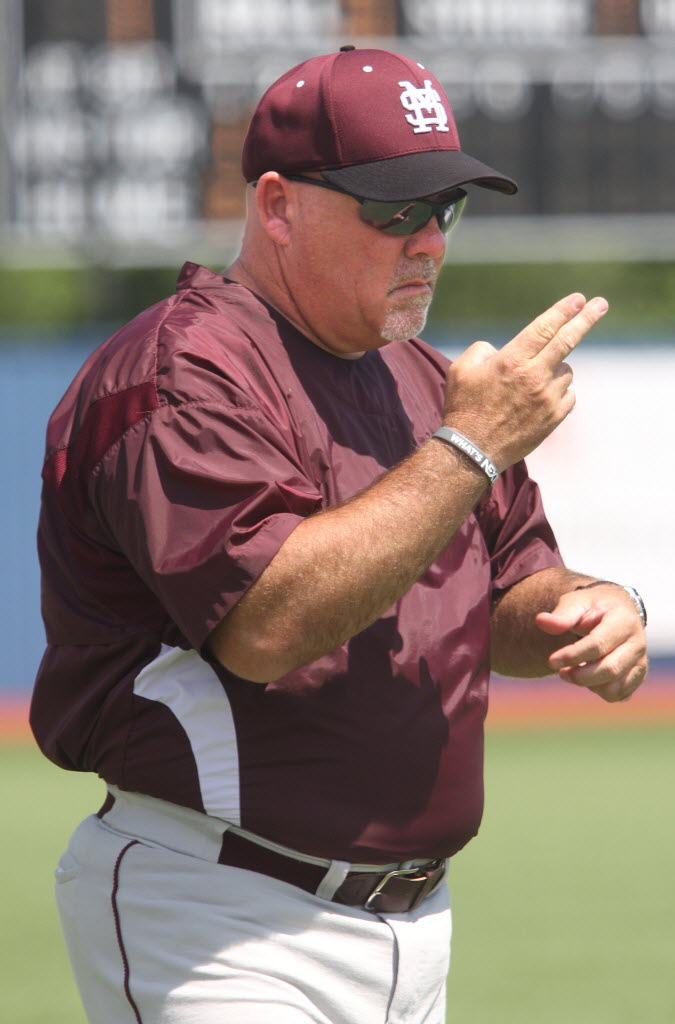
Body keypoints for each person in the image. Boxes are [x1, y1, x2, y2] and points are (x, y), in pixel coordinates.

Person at [31, 45, 648, 1024]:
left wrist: (596, 610)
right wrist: (468, 447)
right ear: (277, 205)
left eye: (446, 206)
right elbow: (266, 622)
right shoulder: (184, 367)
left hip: (415, 931)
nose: (430, 241)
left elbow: (512, 592)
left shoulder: (423, 386)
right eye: (394, 209)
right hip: (217, 917)